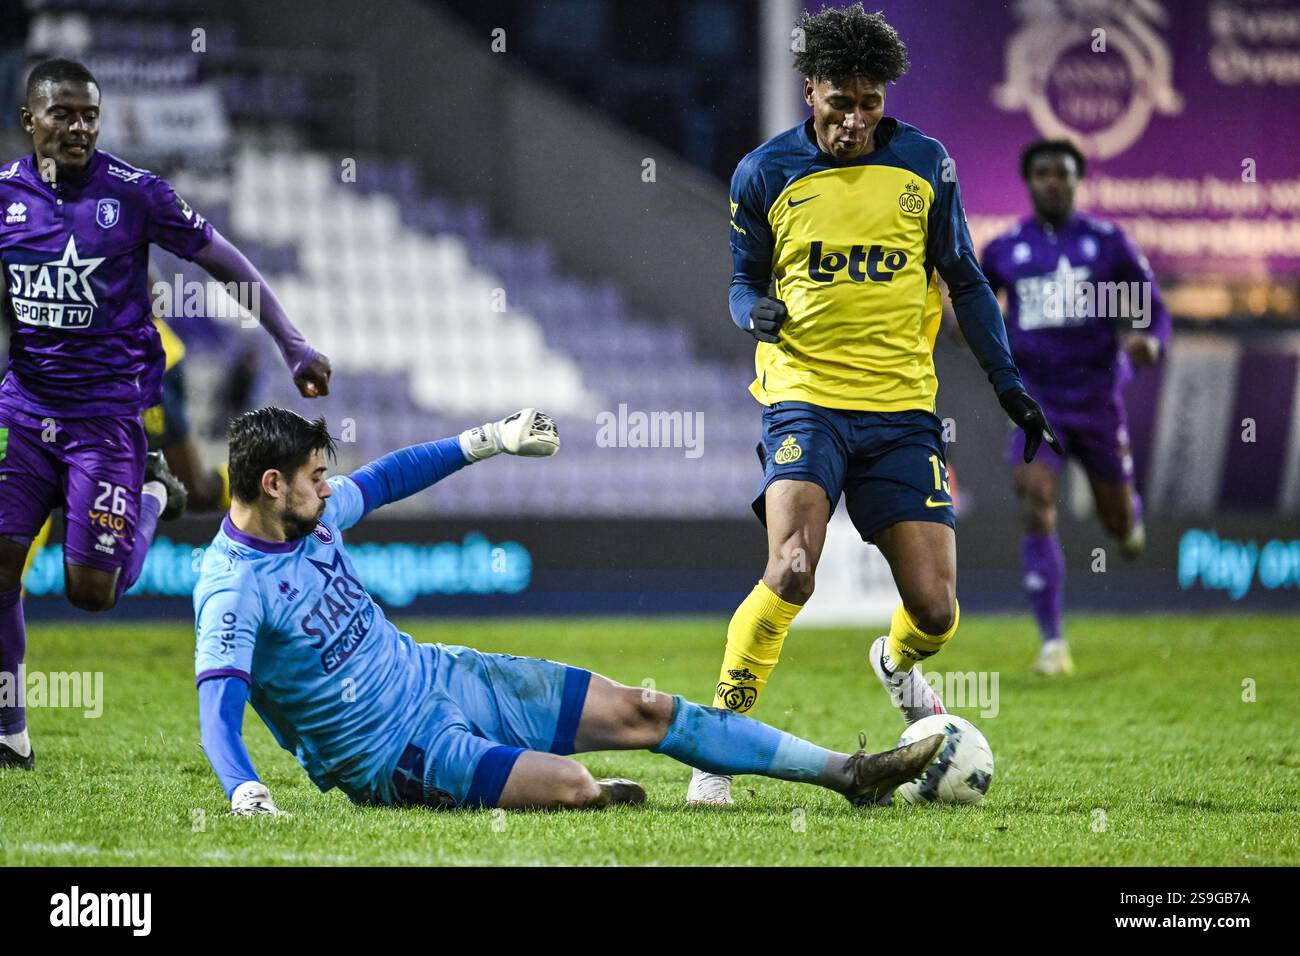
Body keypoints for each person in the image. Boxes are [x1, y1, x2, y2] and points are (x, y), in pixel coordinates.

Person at [195, 407, 944, 815]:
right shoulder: (232, 590)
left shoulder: (313, 517)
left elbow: (388, 479)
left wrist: (487, 440)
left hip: (444, 677)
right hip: (395, 757)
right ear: (270, 484)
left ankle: (848, 772)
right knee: (574, 788)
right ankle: (568, 789)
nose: (330, 490)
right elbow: (217, 711)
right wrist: (245, 790)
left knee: (647, 711)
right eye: (316, 479)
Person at [689, 4, 1059, 805]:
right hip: (804, 399)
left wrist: (1009, 385)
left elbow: (964, 279)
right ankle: (716, 747)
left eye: (871, 102)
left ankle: (893, 664)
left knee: (935, 609)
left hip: (900, 413)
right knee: (791, 571)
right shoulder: (763, 172)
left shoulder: (926, 163)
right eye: (840, 102)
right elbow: (742, 281)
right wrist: (749, 311)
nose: (856, 119)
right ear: (809, 88)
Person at [0, 59, 331, 769]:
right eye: (63, 113)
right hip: (24, 411)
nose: (79, 127)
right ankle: (9, 730)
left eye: (89, 114)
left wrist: (291, 341)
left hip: (108, 419)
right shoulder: (3, 198)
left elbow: (224, 260)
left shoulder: (135, 194)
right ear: (31, 120)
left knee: (92, 593)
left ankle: (153, 493)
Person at [980, 139, 1170, 675]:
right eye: (1042, 173)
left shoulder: (1107, 244)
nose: (1052, 182)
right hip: (1036, 402)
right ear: (1029, 181)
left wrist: (1151, 342)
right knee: (1035, 495)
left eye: (1062, 173)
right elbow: (972, 301)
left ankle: (1127, 518)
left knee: (1116, 524)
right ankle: (1052, 643)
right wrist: (960, 326)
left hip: (1098, 401)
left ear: (1076, 179)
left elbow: (1155, 312)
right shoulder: (1005, 249)